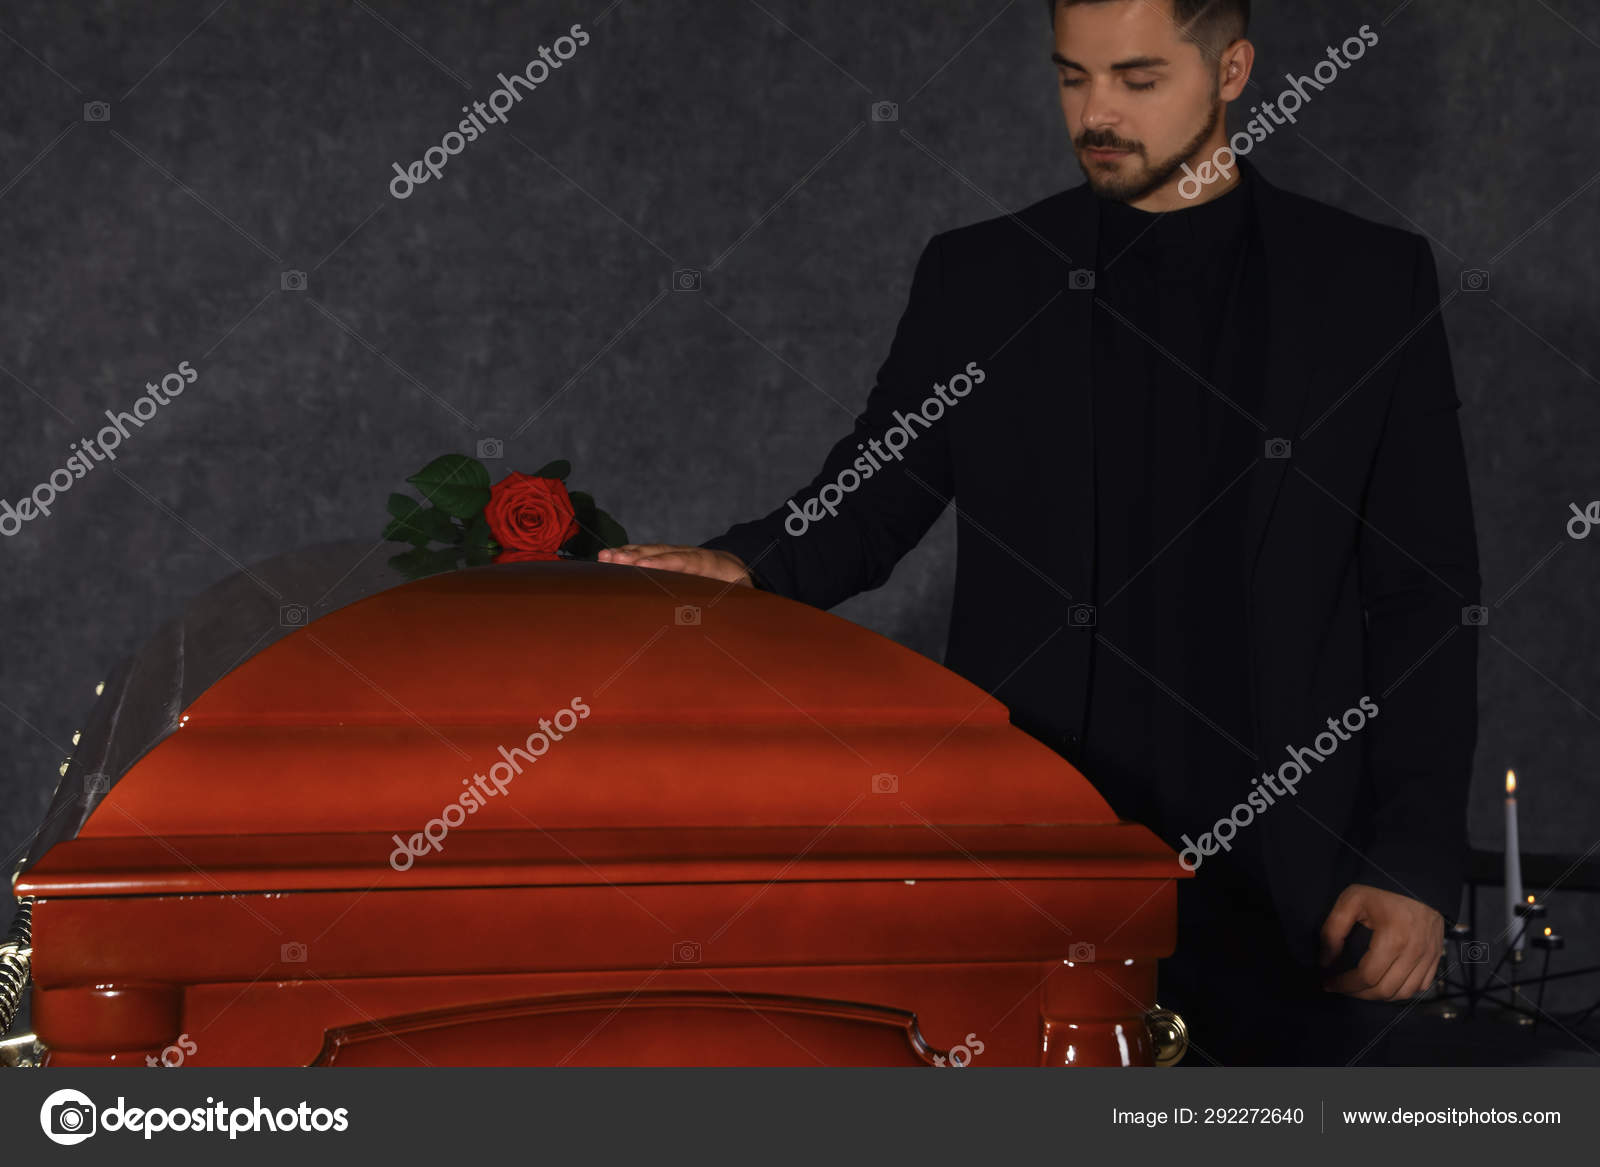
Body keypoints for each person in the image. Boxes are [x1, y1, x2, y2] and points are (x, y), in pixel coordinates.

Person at [599, 0, 1479, 1066]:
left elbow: (1423, 595)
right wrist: (747, 563)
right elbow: (875, 497)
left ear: (1234, 69)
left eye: (1137, 80)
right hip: (1035, 870)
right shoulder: (982, 277)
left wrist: (1415, 862)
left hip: (1293, 890)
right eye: (1073, 77)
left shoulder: (1369, 283)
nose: (1095, 113)